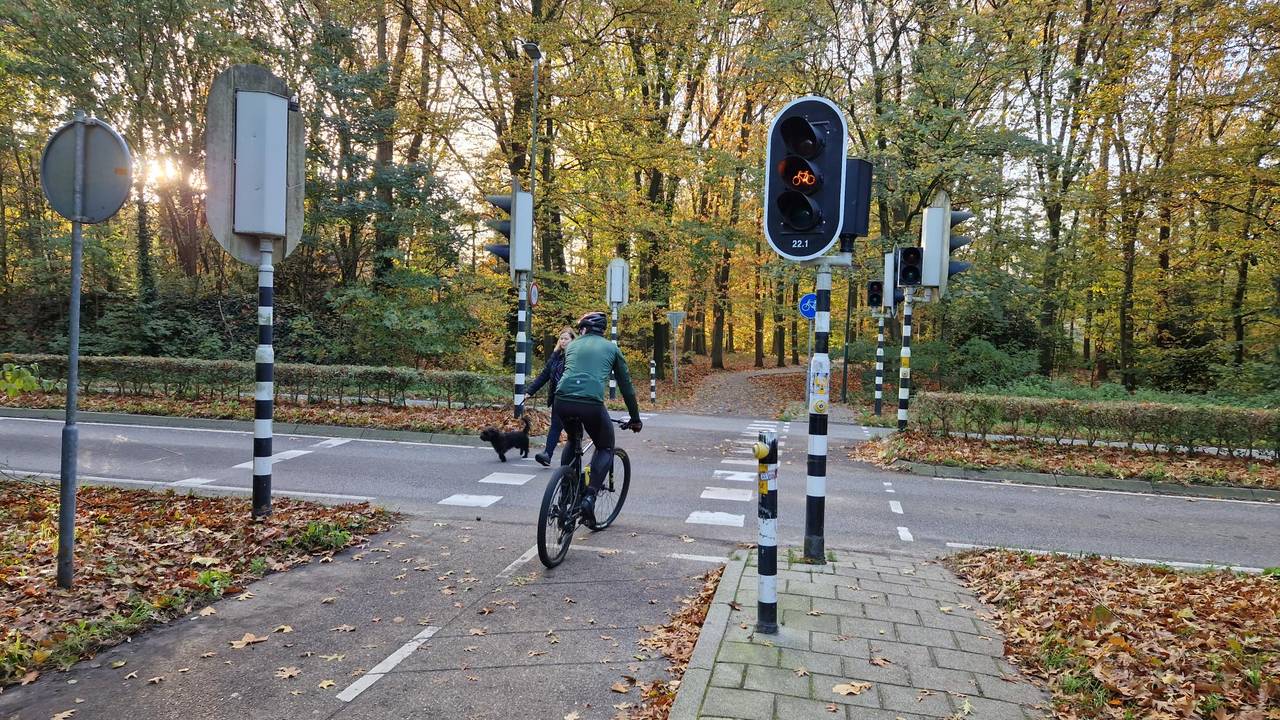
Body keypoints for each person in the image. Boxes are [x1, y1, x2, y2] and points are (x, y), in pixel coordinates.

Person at [553, 311, 642, 524]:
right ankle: (589, 498)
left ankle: (566, 492)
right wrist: (635, 418)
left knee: (574, 439)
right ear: (602, 330)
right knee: (605, 446)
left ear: (582, 329)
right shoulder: (612, 348)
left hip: (562, 400)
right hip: (591, 404)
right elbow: (626, 387)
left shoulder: (572, 345)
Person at [524, 326, 575, 466]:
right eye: (561, 338)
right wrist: (530, 391)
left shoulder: (575, 356)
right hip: (558, 398)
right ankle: (547, 455)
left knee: (573, 429)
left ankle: (574, 455)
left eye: (566, 339)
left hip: (573, 398)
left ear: (573, 340)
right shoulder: (556, 356)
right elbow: (545, 375)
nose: (563, 341)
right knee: (555, 426)